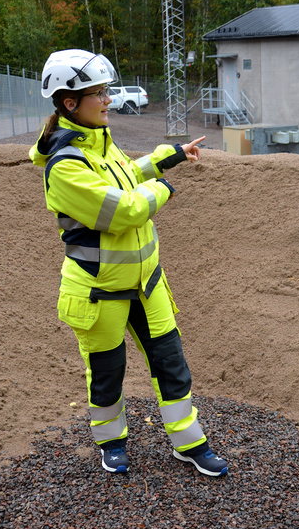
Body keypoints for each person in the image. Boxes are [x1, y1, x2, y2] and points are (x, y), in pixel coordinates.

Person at [28, 49, 228, 477]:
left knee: (171, 365)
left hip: (146, 283)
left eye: (106, 91)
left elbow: (126, 176)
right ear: (70, 103)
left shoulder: (99, 142)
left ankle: (189, 442)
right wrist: (164, 188)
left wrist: (169, 156)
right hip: (99, 290)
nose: (108, 100)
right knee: (107, 374)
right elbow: (124, 210)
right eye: (99, 93)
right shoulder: (64, 165)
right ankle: (111, 443)